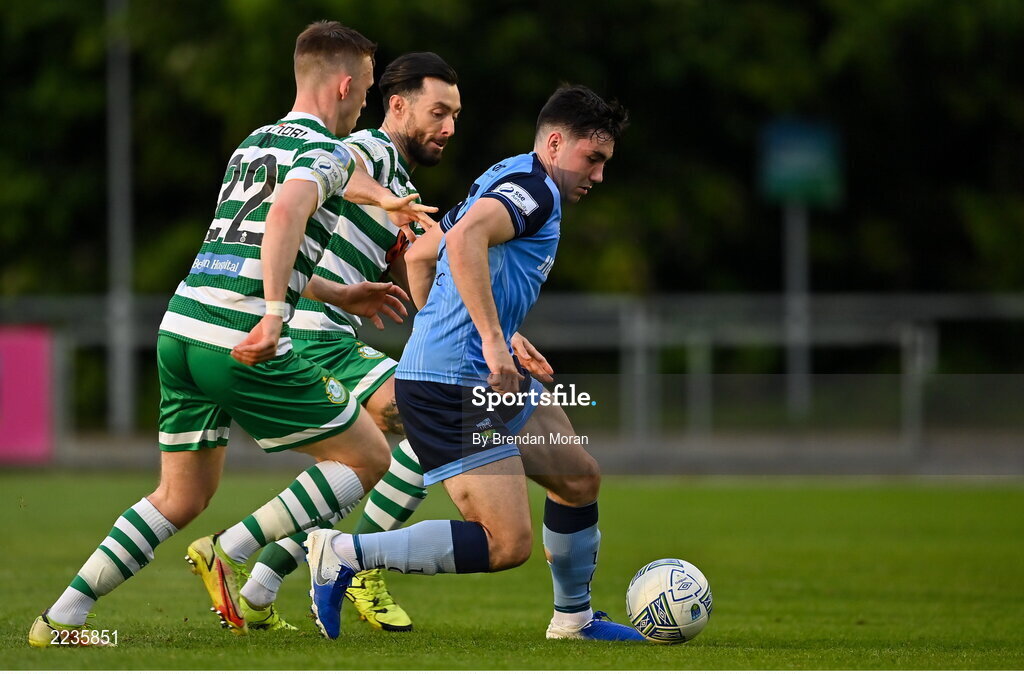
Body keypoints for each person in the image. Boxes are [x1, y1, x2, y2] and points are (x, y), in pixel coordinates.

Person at [27, 20, 436, 647]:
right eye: (366, 91)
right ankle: (234, 553)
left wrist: (333, 291)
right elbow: (286, 214)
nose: (365, 105)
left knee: (180, 495)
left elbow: (248, 243)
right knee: (369, 456)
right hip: (238, 338)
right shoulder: (326, 149)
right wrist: (276, 314)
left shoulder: (255, 142)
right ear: (347, 86)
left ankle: (61, 622)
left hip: (181, 330)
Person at [304, 84, 642, 641]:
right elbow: (461, 244)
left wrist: (483, 331)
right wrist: (486, 338)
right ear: (556, 143)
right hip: (450, 387)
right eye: (593, 158)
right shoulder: (533, 190)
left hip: (475, 374)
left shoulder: (512, 173)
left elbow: (421, 251)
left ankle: (574, 621)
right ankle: (342, 553)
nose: (599, 175)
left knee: (579, 479)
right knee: (505, 544)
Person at [235, 51, 462, 633]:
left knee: (363, 464)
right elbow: (338, 167)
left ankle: (263, 585)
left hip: (330, 333)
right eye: (438, 112)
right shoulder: (367, 150)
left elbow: (420, 274)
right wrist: (381, 200)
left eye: (455, 116)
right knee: (430, 417)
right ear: (396, 104)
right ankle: (354, 566)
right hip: (311, 331)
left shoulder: (403, 184)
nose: (449, 128)